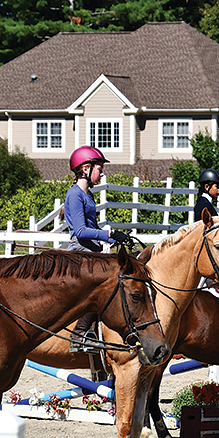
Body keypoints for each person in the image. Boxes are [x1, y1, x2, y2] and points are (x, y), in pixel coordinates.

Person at [64, 146, 128, 349]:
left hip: (92, 250)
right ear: (85, 169)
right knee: (102, 289)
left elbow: (92, 227)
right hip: (81, 251)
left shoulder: (88, 194)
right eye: (99, 170)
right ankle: (79, 336)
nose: (102, 174)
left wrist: (113, 238)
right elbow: (81, 231)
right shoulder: (74, 195)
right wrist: (107, 234)